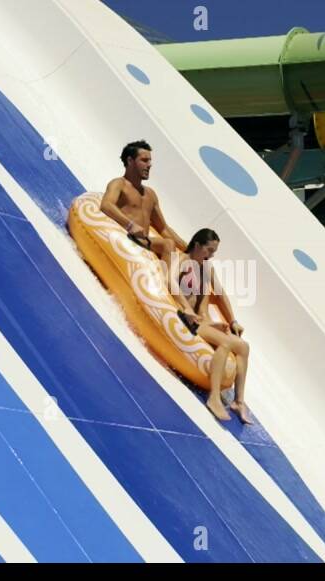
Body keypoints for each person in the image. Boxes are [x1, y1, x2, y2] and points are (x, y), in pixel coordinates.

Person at [173, 229, 252, 424]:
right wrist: (185, 308)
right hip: (184, 317)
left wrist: (231, 321)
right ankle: (214, 397)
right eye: (209, 250)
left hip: (200, 320)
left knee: (243, 346)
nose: (211, 256)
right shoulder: (181, 260)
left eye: (214, 252)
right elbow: (172, 284)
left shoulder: (206, 269)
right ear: (197, 245)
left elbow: (220, 294)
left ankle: (238, 401)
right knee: (225, 343)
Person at [99, 140, 187, 274]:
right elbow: (106, 204)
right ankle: (168, 285)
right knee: (167, 244)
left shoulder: (150, 194)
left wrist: (189, 249)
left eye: (150, 161)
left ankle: (169, 284)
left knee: (172, 245)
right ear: (130, 161)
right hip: (126, 237)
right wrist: (130, 225)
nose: (149, 165)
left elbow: (163, 228)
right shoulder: (119, 184)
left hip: (144, 242)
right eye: (144, 160)